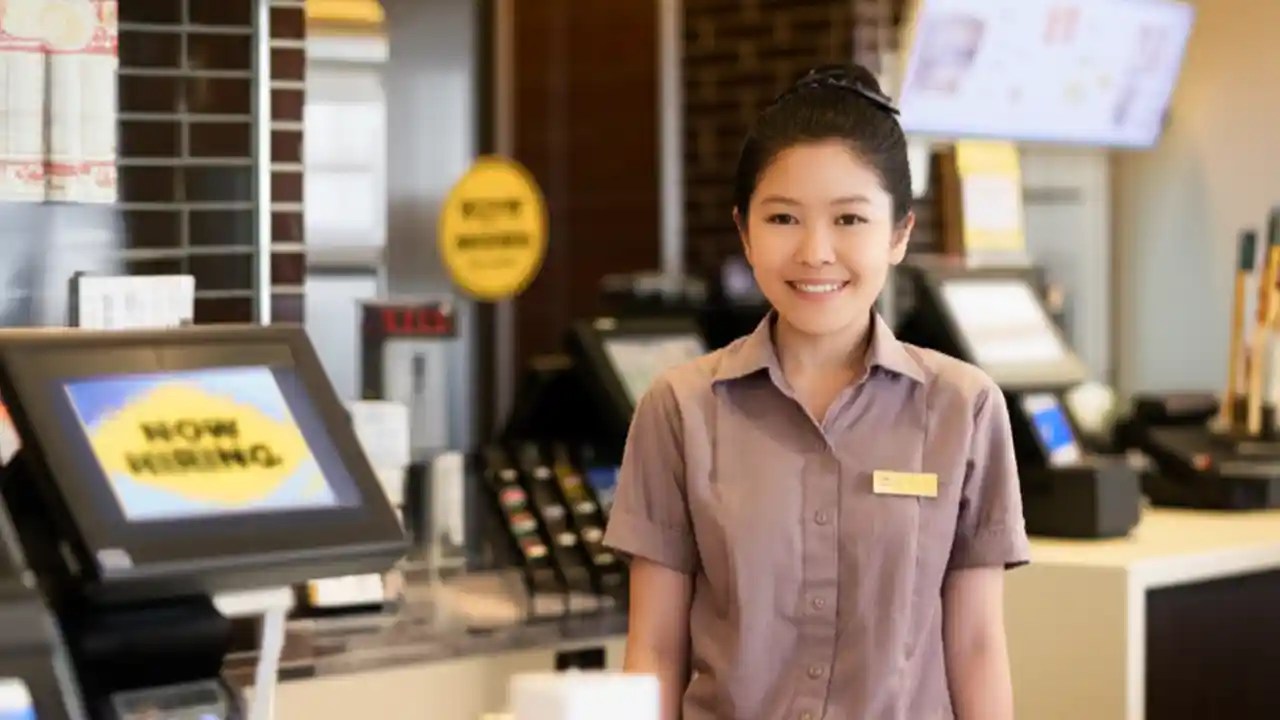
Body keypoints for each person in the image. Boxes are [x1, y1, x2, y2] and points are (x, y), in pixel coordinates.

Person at [602, 64, 1030, 720]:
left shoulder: (963, 408)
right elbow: (655, 651)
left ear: (899, 235)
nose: (816, 251)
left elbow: (974, 646)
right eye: (783, 218)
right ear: (745, 233)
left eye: (850, 219)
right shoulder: (680, 408)